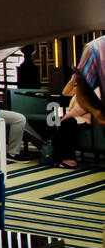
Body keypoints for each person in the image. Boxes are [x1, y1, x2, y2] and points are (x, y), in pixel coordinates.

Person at [51, 36, 105, 169]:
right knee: (54, 121)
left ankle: (67, 158)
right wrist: (74, 78)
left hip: (86, 118)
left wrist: (68, 116)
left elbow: (83, 106)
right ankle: (57, 157)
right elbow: (65, 92)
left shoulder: (97, 83)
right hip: (75, 115)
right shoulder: (82, 82)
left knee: (66, 123)